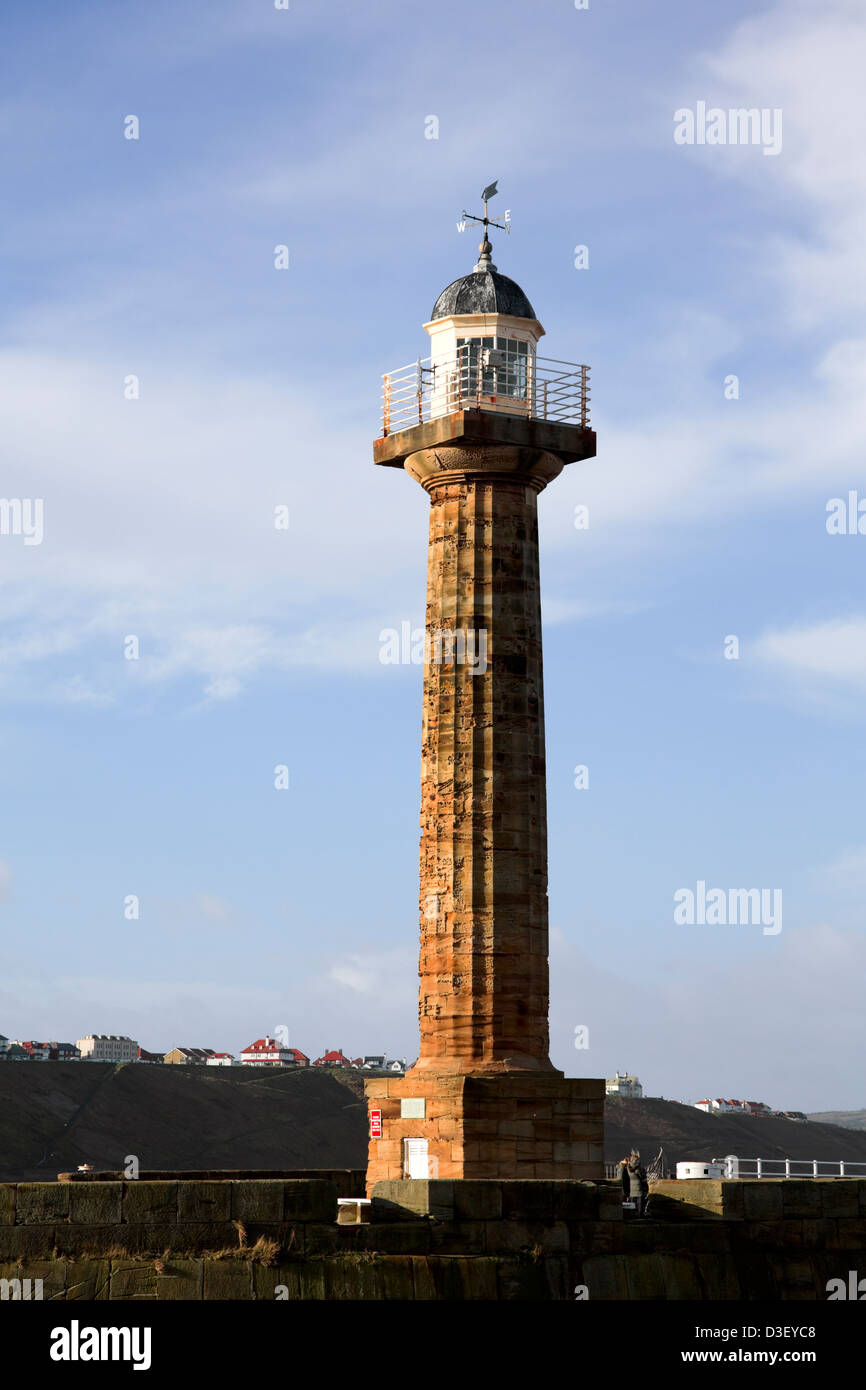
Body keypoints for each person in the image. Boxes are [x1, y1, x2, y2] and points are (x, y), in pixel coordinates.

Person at [618, 1149, 649, 1216]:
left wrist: (622, 1164)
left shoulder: (628, 1168)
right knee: (640, 1211)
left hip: (631, 1192)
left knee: (632, 1210)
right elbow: (643, 1178)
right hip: (639, 1191)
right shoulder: (639, 1169)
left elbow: (620, 1176)